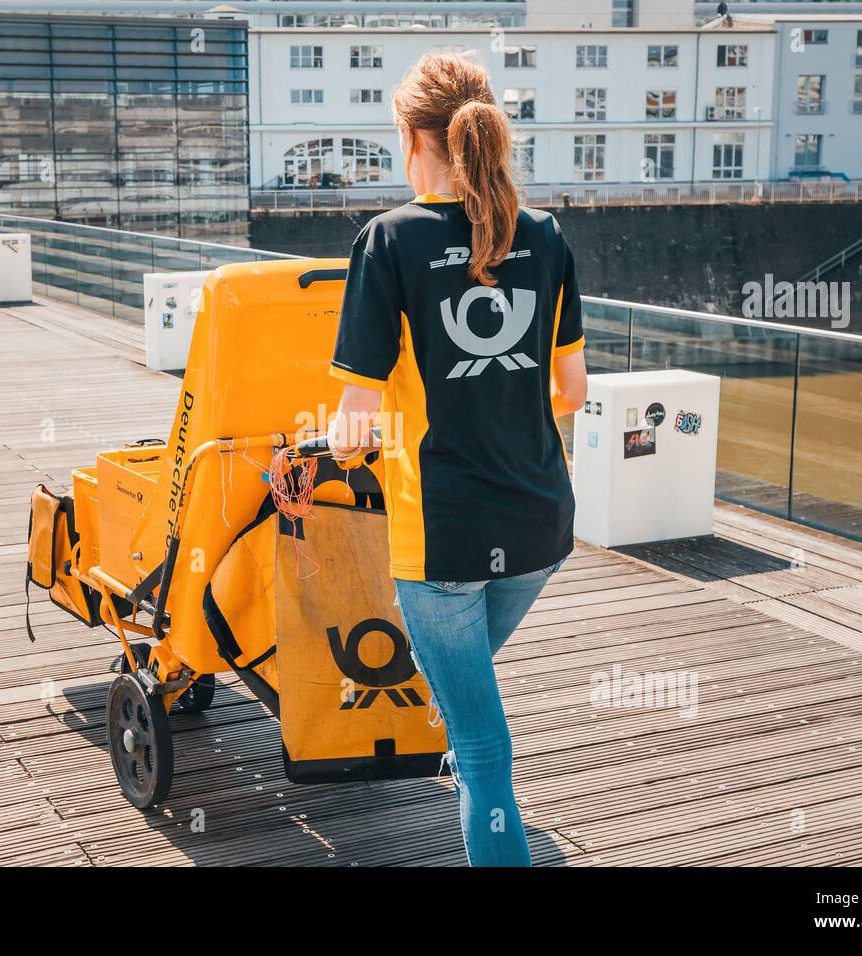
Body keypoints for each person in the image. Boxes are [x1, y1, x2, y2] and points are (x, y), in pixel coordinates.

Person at [325, 53, 588, 867]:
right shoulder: (543, 236)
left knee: (480, 746)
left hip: (443, 539)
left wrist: (336, 440)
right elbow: (570, 390)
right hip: (541, 527)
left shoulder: (389, 241)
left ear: (411, 137)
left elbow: (353, 429)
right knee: (461, 699)